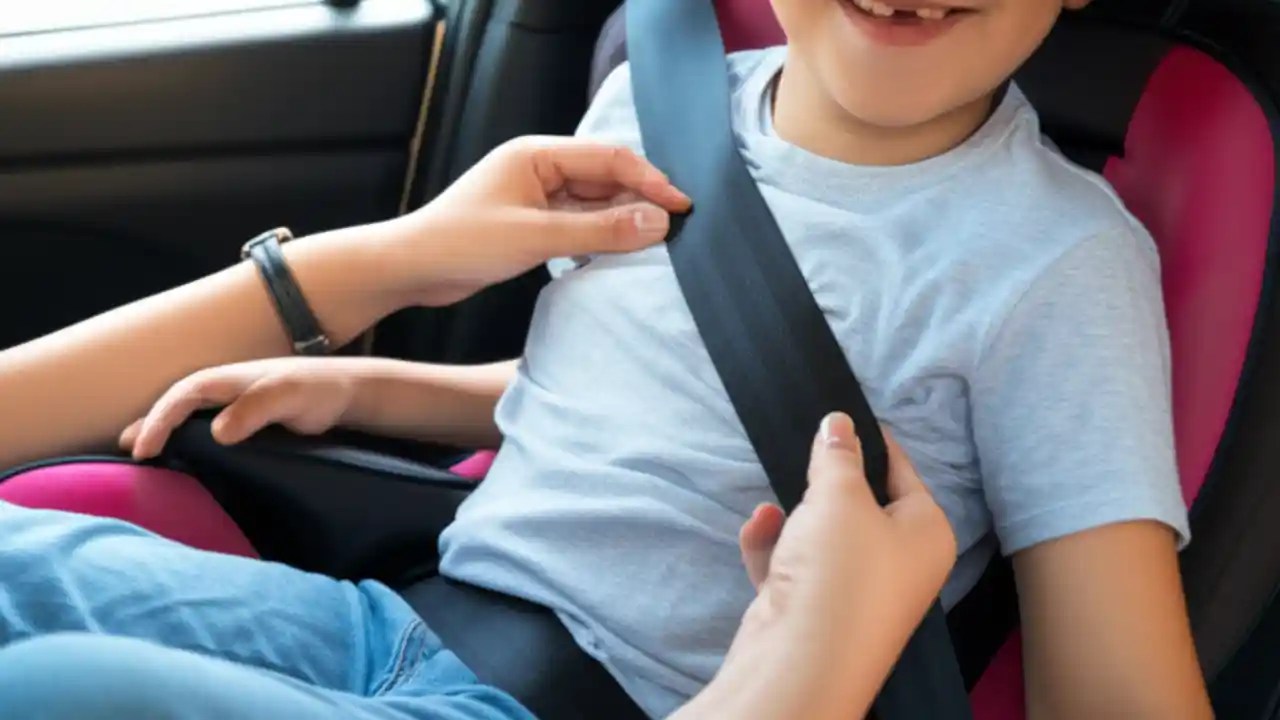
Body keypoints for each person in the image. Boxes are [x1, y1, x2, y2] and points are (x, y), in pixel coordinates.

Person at [0, 0, 1214, 716]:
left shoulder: (1057, 266)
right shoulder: (652, 98)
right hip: (396, 623)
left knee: (64, 690)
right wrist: (371, 386)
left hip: (616, 701)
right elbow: (629, 395)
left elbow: (1115, 692)